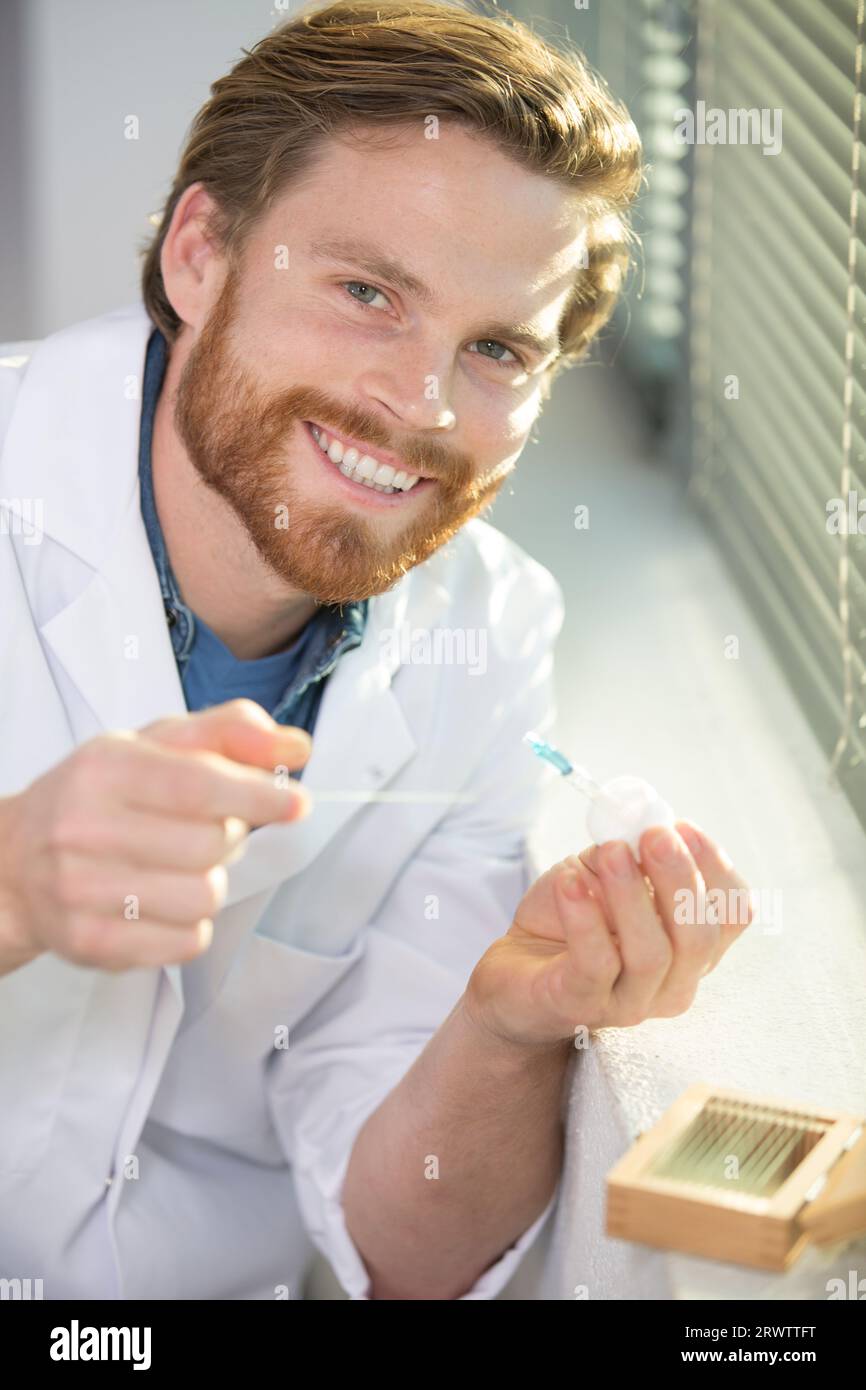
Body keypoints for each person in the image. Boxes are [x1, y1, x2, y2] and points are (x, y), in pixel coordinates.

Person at [0, 0, 752, 1300]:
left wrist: (509, 1021)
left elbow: (400, 1249)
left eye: (496, 350)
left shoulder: (490, 636)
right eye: (365, 293)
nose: (419, 405)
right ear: (197, 253)